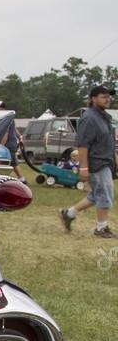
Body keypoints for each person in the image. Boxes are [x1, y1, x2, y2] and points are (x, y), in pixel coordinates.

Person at [59, 86, 116, 238]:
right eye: (104, 96)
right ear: (93, 99)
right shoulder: (89, 118)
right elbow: (83, 145)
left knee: (97, 195)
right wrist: (83, 167)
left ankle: (68, 214)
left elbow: (108, 141)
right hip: (96, 163)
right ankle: (101, 228)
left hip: (106, 161)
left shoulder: (103, 117)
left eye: (109, 96)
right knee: (105, 194)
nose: (108, 99)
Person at [0, 100, 27, 183]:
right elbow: (15, 129)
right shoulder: (9, 117)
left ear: (3, 108)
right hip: (11, 144)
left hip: (9, 145)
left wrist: (1, 147)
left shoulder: (5, 117)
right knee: (13, 162)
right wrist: (20, 137)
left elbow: (6, 133)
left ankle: (21, 179)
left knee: (9, 162)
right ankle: (21, 179)